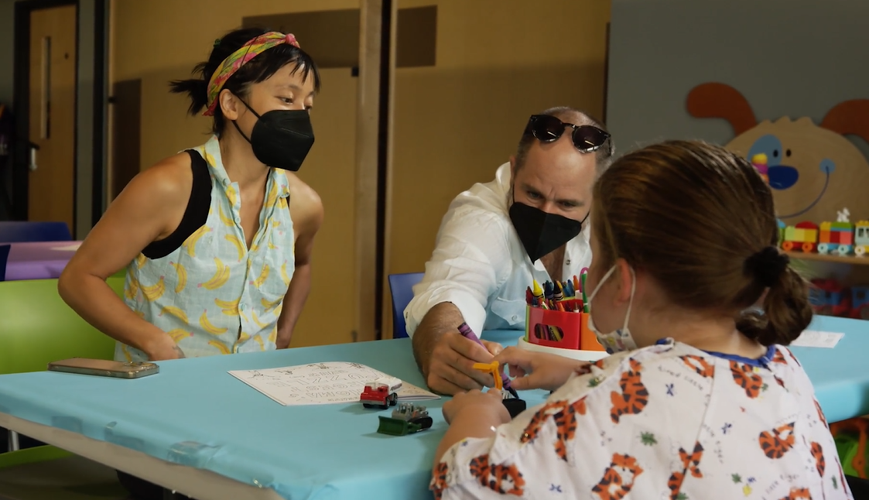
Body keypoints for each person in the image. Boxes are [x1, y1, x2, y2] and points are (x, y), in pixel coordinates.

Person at [431, 140, 852, 499]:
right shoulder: (783, 366)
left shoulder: (611, 400)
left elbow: (461, 484)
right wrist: (579, 372)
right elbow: (682, 388)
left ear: (623, 280)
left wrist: (477, 414)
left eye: (595, 255)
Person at [59, 27, 324, 363]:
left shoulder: (302, 205)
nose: (300, 115)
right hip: (161, 387)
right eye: (286, 99)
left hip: (251, 387)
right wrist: (154, 342)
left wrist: (284, 333)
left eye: (307, 104)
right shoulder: (168, 187)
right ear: (231, 104)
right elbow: (79, 279)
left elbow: (302, 263)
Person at [406, 107, 613, 395]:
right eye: (533, 194)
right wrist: (443, 342)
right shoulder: (482, 220)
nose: (546, 213)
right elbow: (452, 289)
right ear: (514, 170)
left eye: (566, 204)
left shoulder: (612, 224)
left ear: (599, 194)